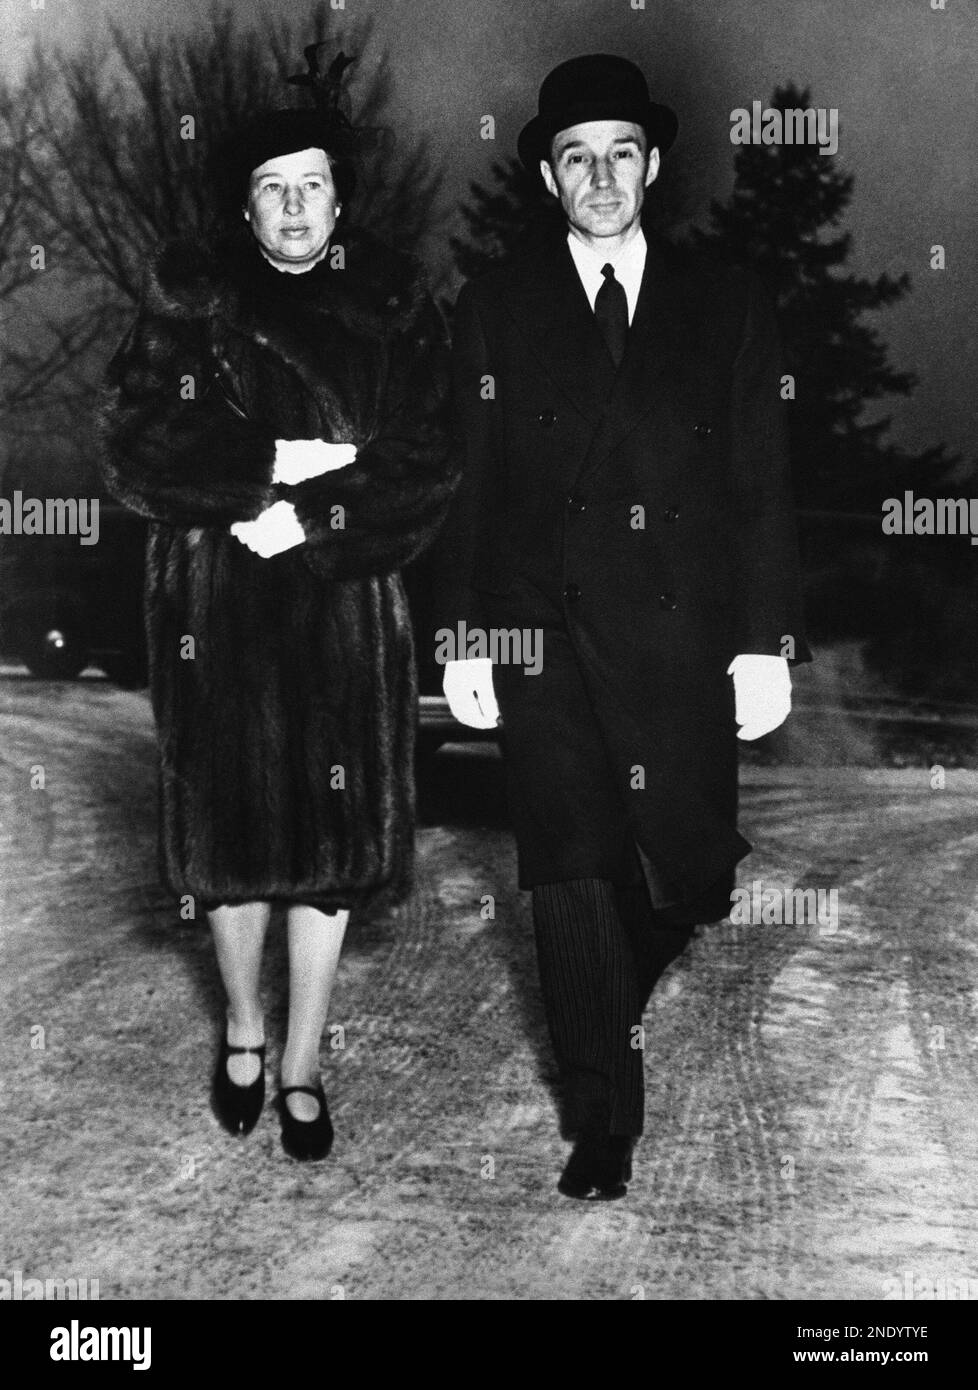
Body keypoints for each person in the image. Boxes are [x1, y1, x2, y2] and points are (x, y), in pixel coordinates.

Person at [432, 54, 811, 1199]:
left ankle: (615, 999)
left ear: (652, 166)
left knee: (686, 877)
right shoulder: (495, 309)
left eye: (620, 154)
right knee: (571, 871)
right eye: (575, 158)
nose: (600, 177)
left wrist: (764, 641)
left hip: (682, 636)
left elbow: (760, 482)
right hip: (537, 628)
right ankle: (601, 1116)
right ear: (551, 179)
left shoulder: (727, 302)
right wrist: (460, 641)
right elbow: (466, 483)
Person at [97, 67, 455, 1161]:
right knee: (232, 841)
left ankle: (302, 1062)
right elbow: (133, 446)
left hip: (345, 612)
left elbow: (432, 464)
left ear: (341, 204)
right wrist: (265, 469)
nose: (295, 207)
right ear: (246, 207)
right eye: (272, 188)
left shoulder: (395, 313)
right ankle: (243, 1031)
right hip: (221, 610)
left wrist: (320, 516)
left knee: (333, 850)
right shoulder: (192, 306)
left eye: (313, 187)